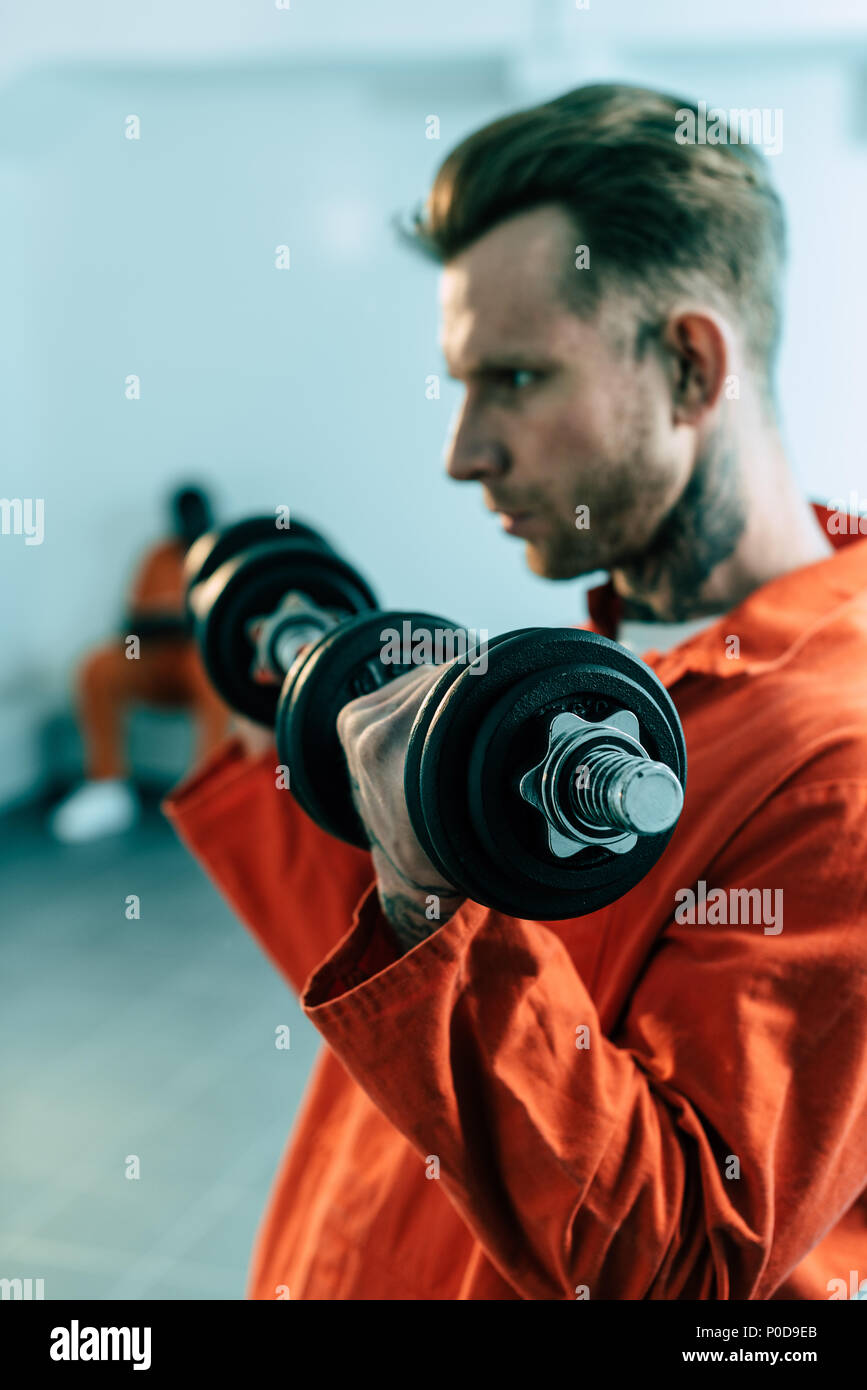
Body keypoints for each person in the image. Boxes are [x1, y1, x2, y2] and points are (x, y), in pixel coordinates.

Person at [165, 86, 867, 1299]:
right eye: (462, 382)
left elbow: (685, 1265)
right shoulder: (616, 679)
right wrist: (321, 738)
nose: (462, 450)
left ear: (691, 367)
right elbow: (416, 1022)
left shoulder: (841, 761)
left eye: (518, 378)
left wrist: (439, 911)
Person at [51, 485, 230, 843]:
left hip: (197, 662)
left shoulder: (227, 552)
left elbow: (224, 621)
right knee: (97, 666)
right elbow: (134, 620)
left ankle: (209, 793)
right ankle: (106, 785)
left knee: (210, 668)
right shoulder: (158, 556)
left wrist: (181, 621)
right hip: (153, 660)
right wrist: (172, 620)